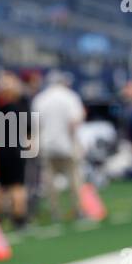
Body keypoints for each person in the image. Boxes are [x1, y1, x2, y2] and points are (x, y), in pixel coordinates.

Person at [31, 70, 87, 220]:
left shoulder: (40, 99)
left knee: (50, 182)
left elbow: (35, 125)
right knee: (74, 179)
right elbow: (75, 121)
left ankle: (55, 211)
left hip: (46, 145)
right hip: (67, 144)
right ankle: (77, 209)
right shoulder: (70, 97)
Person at [0, 71, 31, 230]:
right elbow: (28, 130)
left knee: (1, 186)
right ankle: (19, 219)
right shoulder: (18, 108)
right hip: (15, 150)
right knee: (17, 186)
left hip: (0, 150)